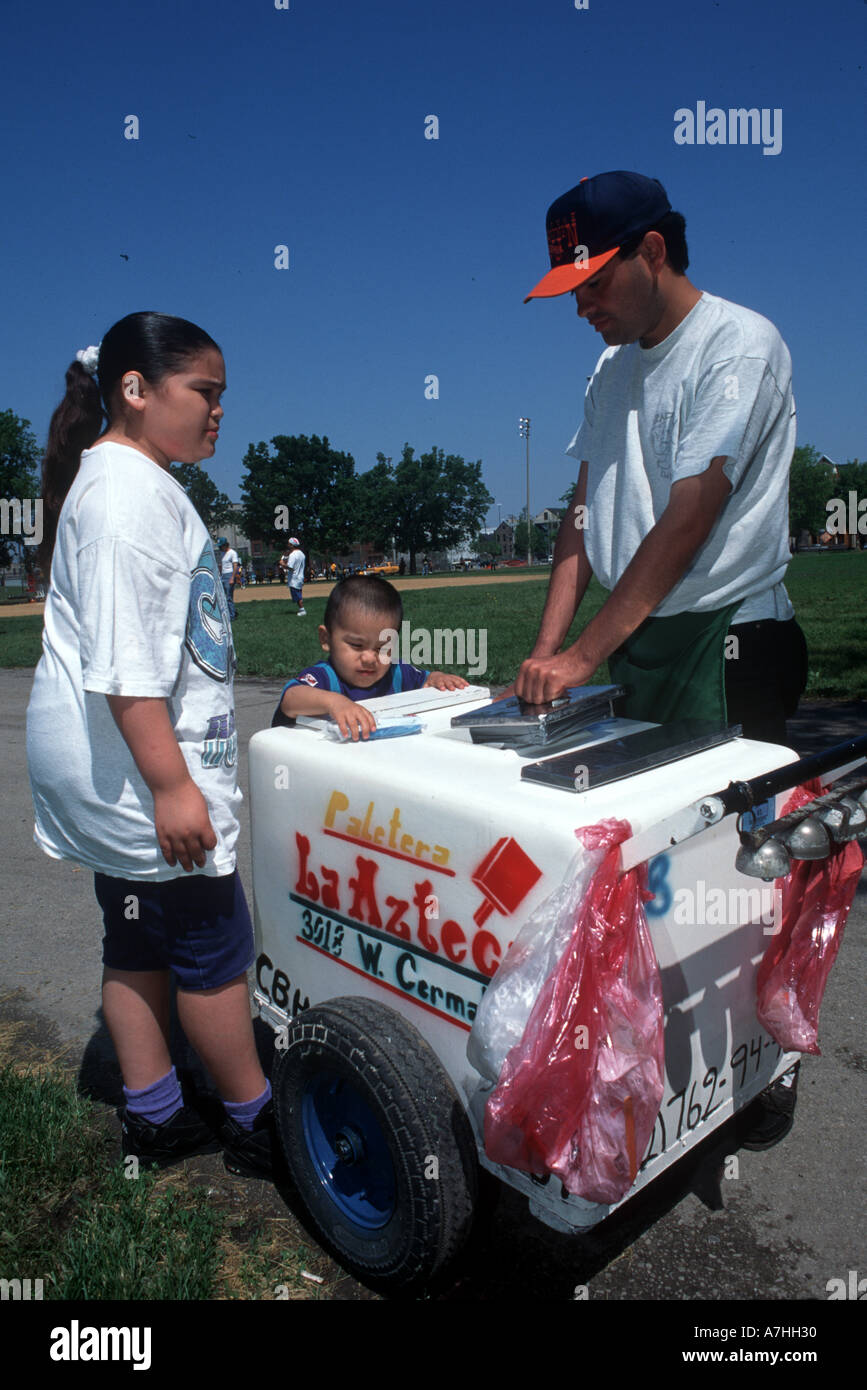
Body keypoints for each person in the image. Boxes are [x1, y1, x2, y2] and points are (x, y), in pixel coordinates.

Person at [516, 169, 808, 1149]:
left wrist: (590, 644)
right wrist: (554, 643)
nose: (584, 308)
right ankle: (663, 1067)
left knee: (732, 873)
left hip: (727, 636)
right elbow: (583, 509)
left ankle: (764, 1067)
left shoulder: (740, 342)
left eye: (595, 283)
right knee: (649, 875)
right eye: (572, 291)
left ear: (653, 250)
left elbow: (693, 514)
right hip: (635, 637)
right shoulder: (610, 371)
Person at [26, 312, 280, 1179]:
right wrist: (175, 788)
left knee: (135, 941)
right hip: (141, 771)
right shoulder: (129, 496)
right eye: (204, 392)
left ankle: (156, 1114)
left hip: (116, 766)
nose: (219, 412)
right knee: (213, 949)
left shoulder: (129, 480)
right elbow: (129, 673)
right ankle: (255, 1118)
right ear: (135, 391)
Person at [272, 574, 468, 740]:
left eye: (383, 647)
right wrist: (335, 703)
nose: (369, 658)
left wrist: (437, 678)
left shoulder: (396, 673)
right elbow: (290, 699)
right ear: (326, 639)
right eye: (357, 645)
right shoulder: (325, 677)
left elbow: (425, 680)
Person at [279, 536, 306, 616]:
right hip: (300, 576)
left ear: (291, 545)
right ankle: (301, 609)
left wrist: (282, 563)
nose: (287, 545)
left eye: (289, 543)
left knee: (297, 596)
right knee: (298, 594)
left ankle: (302, 610)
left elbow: (290, 566)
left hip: (294, 578)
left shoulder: (293, 554)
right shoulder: (302, 554)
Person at [217, 537, 240, 620]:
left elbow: (235, 566)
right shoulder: (222, 553)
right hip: (223, 576)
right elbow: (222, 565)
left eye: (221, 546)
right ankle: (230, 612)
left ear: (225, 545)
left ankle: (232, 616)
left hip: (229, 575)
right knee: (223, 597)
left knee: (229, 597)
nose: (220, 548)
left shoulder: (232, 553)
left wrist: (232, 577)